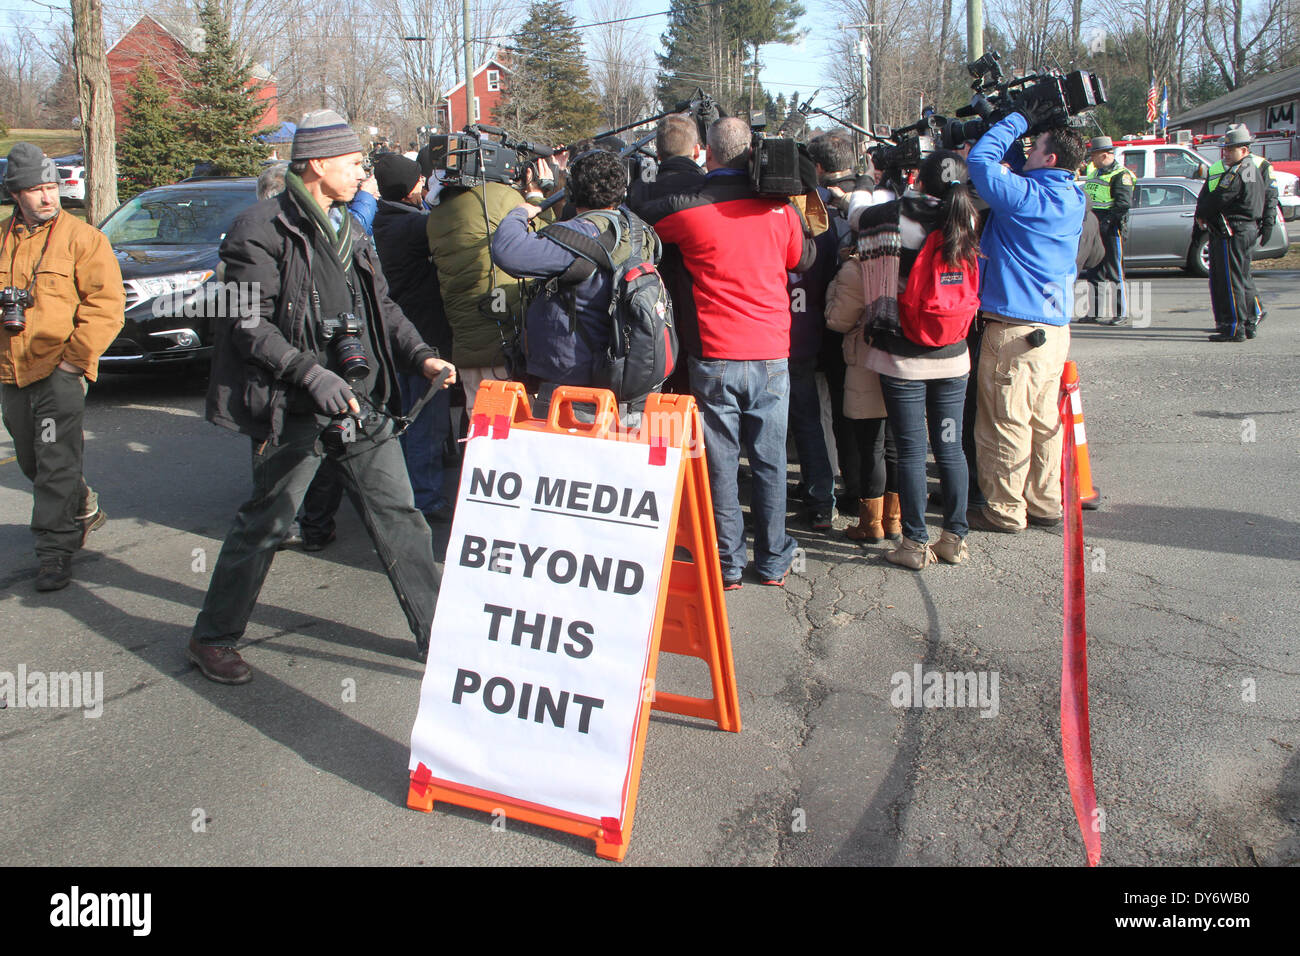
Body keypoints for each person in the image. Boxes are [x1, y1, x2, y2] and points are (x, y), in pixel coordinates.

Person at [188, 110, 457, 684]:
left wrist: (422, 355)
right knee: (265, 524)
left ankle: (438, 638)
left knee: (402, 519)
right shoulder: (257, 229)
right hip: (296, 406)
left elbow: (381, 310)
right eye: (354, 161)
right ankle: (213, 638)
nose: (364, 170)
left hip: (361, 403)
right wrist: (311, 375)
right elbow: (247, 325)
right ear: (317, 164)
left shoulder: (353, 229)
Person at [640, 117, 815, 589]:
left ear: (707, 155)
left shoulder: (691, 211)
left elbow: (644, 215)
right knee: (770, 460)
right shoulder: (779, 211)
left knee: (721, 463)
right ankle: (775, 559)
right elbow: (804, 258)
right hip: (772, 354)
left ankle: (727, 562)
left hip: (715, 355)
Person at [0, 143, 124, 591]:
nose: (47, 197)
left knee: (54, 460)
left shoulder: (84, 239)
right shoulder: (1, 240)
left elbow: (107, 308)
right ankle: (84, 504)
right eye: (35, 189)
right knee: (32, 459)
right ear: (16, 193)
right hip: (11, 374)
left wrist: (74, 364)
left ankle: (54, 550)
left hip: (60, 373)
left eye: (51, 186)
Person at [851, 151, 980, 568]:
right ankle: (955, 539)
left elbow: (858, 216)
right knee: (950, 447)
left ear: (919, 180)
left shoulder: (896, 217)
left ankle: (914, 545)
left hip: (905, 357)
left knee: (909, 450)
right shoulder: (967, 218)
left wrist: (871, 181)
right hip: (954, 355)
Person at [966, 109, 1086, 534]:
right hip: (1054, 330)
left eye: (1036, 147)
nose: (1028, 151)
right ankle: (1045, 501)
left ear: (1051, 159)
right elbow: (1016, 172)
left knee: (1004, 422)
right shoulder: (1072, 196)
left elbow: (980, 164)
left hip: (1014, 331)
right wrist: (1025, 146)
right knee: (1043, 421)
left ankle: (1003, 510)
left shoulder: (1025, 198)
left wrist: (1017, 119)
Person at [490, 149, 658, 421]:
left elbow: (507, 250)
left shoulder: (576, 236)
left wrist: (520, 211)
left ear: (571, 193)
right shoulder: (639, 232)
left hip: (575, 388)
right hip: (629, 375)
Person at [426, 136, 530, 414]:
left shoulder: (436, 214)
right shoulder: (501, 197)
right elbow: (547, 238)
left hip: (466, 344)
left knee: (479, 424)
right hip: (505, 340)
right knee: (510, 426)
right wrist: (537, 194)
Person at [627, 114, 706, 396]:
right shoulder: (707, 190)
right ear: (696, 151)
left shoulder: (640, 193)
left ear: (658, 153)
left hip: (650, 307)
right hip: (698, 313)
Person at [1195, 125, 1269, 342]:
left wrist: (1202, 211)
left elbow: (1220, 197)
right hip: (1244, 229)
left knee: (1231, 280)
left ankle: (1234, 327)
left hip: (1234, 230)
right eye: (1225, 149)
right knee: (1242, 278)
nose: (1225, 153)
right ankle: (1246, 322)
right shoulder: (1249, 168)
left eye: (1230, 149)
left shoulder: (1240, 170)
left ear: (1244, 150)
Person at [1079, 136, 1135, 325]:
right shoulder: (1096, 173)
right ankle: (1094, 312)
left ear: (1103, 155)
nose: (1090, 159)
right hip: (1096, 227)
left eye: (1093, 155)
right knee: (1094, 271)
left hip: (1111, 229)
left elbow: (1123, 204)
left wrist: (1107, 222)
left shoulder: (1121, 175)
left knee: (1115, 272)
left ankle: (1121, 313)